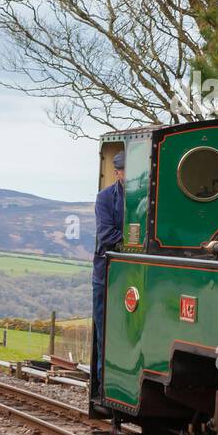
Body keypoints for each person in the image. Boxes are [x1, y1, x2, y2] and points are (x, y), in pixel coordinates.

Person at [91, 150, 124, 406]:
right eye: (122, 170)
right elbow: (106, 235)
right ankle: (103, 386)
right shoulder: (105, 198)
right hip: (107, 271)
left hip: (131, 270)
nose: (126, 174)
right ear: (116, 172)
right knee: (105, 329)